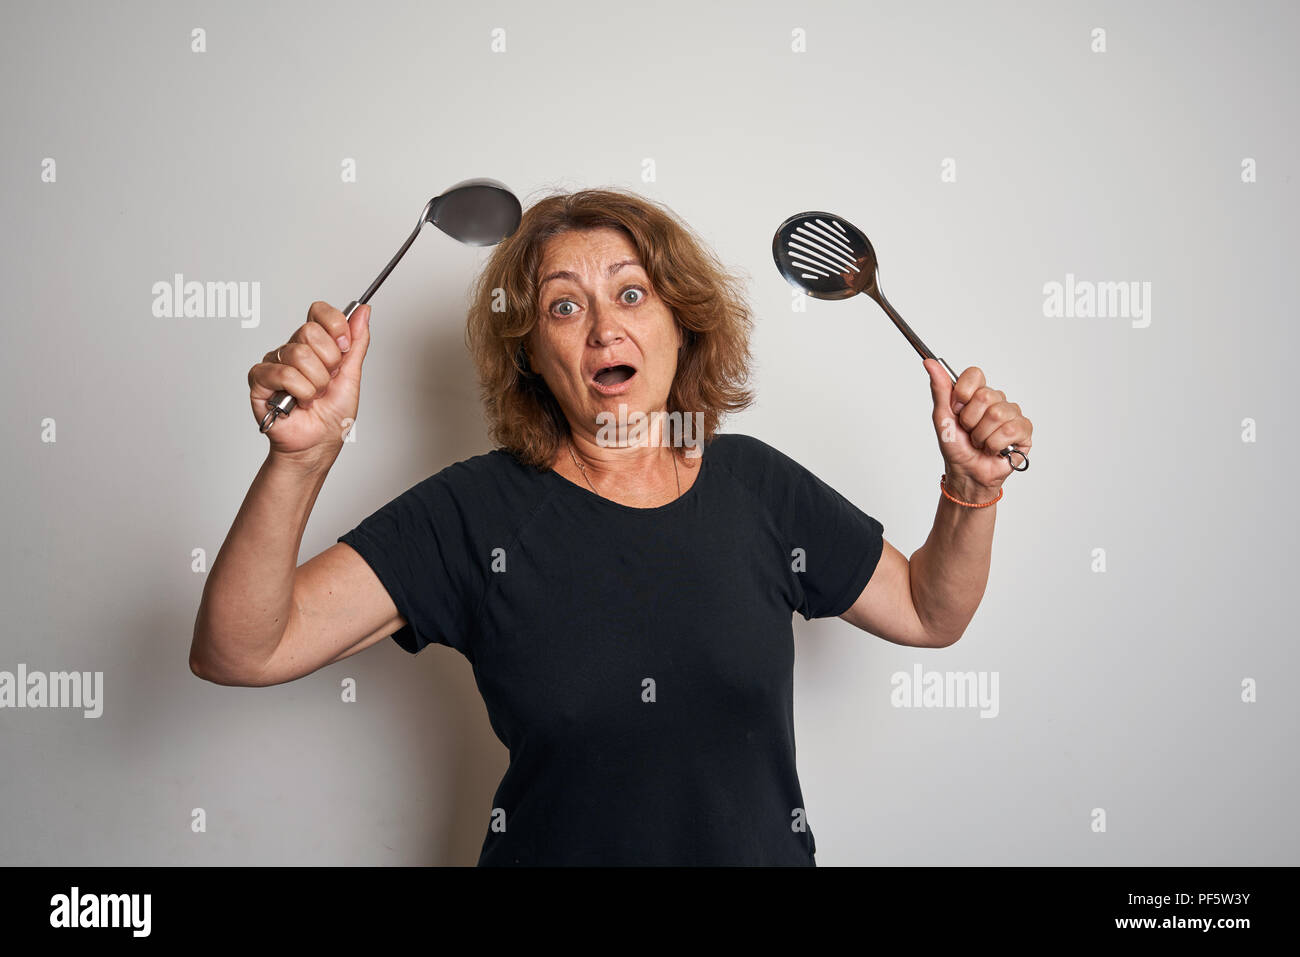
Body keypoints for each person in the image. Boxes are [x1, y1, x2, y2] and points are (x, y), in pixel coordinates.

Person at [190, 187, 1033, 866]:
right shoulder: (471, 513)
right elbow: (241, 648)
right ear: (530, 354)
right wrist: (300, 460)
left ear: (681, 324)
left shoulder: (758, 487)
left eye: (632, 293)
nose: (604, 327)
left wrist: (969, 487)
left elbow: (931, 610)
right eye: (564, 306)